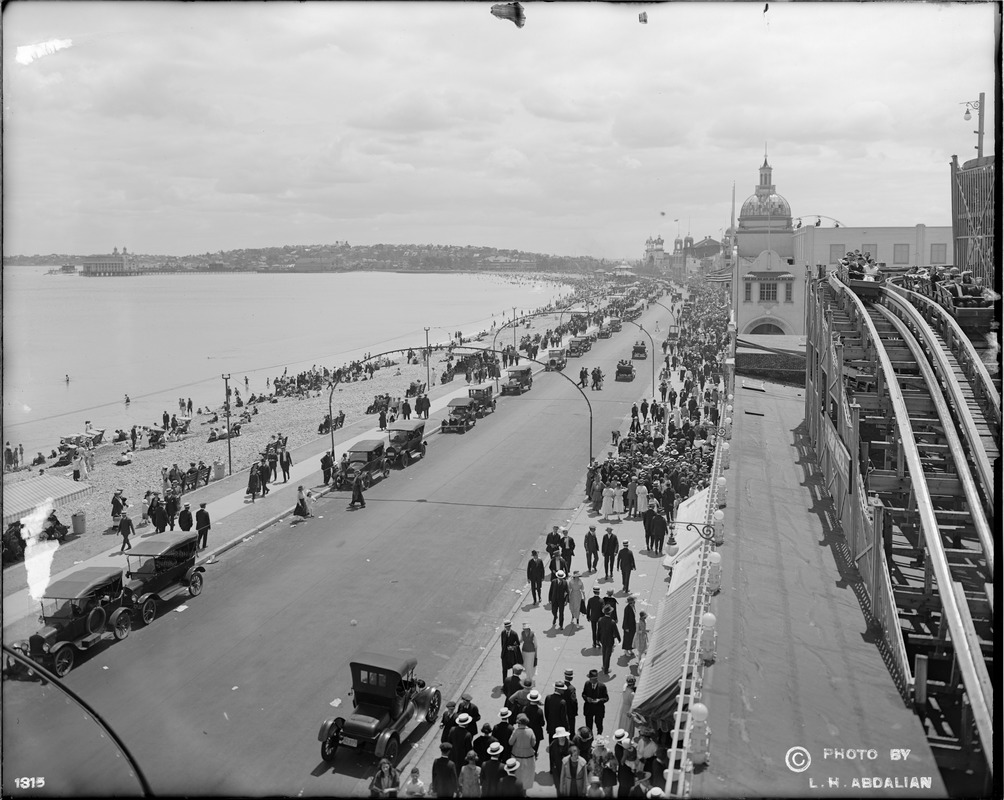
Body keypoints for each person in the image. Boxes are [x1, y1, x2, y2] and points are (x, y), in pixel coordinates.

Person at [507, 717, 535, 793]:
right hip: (529, 756)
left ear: (520, 723)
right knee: (527, 775)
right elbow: (533, 743)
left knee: (517, 775)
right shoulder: (530, 731)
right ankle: (524, 793)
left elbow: (510, 742)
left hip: (517, 756)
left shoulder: (516, 731)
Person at [581, 669, 609, 735]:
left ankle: (599, 737)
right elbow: (583, 694)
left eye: (594, 679)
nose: (593, 681)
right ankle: (590, 738)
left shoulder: (602, 686)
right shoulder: (587, 684)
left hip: (598, 709)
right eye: (591, 679)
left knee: (599, 725)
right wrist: (586, 698)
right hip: (589, 708)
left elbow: (606, 698)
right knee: (588, 726)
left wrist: (599, 700)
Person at [597, 608, 620, 675]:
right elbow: (616, 631)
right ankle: (606, 669)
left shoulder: (600, 620)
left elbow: (598, 631)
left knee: (604, 652)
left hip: (602, 639)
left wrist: (597, 639)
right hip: (610, 640)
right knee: (608, 655)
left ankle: (604, 665)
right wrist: (619, 639)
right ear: (610, 613)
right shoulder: (612, 622)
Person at [500, 620, 522, 686]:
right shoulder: (503, 633)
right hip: (505, 654)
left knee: (513, 669)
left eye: (509, 626)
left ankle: (513, 683)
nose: (508, 628)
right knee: (504, 670)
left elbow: (518, 643)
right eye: (507, 627)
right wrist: (503, 651)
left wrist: (512, 647)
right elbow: (502, 643)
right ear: (505, 627)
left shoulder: (514, 634)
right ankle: (505, 684)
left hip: (512, 655)